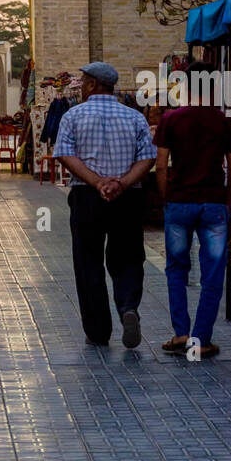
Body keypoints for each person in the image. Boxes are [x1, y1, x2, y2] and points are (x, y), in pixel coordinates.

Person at [54, 61, 156, 349]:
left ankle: (98, 331)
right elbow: (147, 158)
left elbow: (64, 154)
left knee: (88, 261)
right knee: (128, 256)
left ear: (91, 85)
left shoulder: (73, 116)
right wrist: (121, 183)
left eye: (83, 81)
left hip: (87, 197)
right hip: (128, 197)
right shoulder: (134, 117)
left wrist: (98, 182)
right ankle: (128, 308)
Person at [155, 60, 231, 359]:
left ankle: (181, 333)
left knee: (176, 268)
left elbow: (161, 166)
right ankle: (201, 340)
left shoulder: (170, 119)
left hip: (179, 201)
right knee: (213, 272)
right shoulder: (224, 121)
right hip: (213, 203)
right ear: (214, 86)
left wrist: (166, 197)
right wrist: (226, 196)